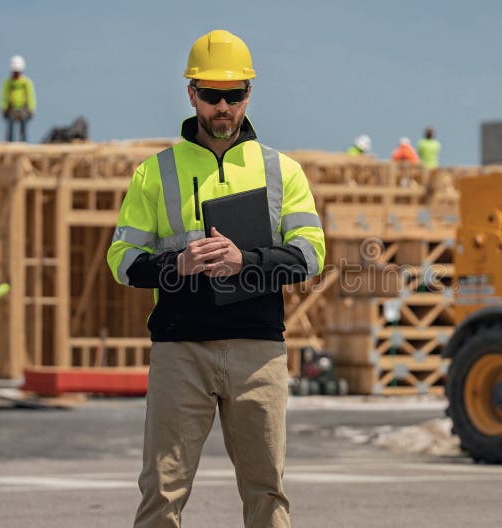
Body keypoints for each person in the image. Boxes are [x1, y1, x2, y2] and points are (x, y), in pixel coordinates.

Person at [107, 29, 325, 528]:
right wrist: (176, 265)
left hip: (258, 353)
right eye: (211, 95)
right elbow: (121, 260)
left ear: (250, 94)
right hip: (180, 352)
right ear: (192, 95)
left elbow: (311, 255)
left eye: (234, 95)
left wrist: (245, 261)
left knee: (267, 492)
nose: (223, 107)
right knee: (161, 492)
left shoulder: (282, 171)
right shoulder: (154, 173)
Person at [0, 55, 36, 142]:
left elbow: (30, 96)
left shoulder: (26, 82)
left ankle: (23, 144)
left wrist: (31, 109)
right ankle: (10, 143)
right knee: (10, 128)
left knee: (23, 128)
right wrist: (4, 108)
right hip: (11, 109)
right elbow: (4, 96)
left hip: (23, 109)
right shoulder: (8, 83)